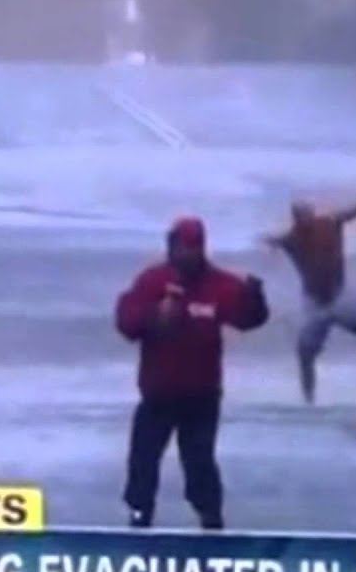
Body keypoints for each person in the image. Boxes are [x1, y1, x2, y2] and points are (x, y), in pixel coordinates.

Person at [114, 217, 269, 530]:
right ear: (171, 247)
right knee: (143, 458)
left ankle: (210, 516)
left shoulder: (219, 284)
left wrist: (255, 299)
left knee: (199, 461)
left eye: (195, 247)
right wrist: (154, 316)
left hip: (201, 396)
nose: (190, 253)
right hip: (158, 393)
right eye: (184, 247)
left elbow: (247, 319)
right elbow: (126, 322)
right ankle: (139, 513)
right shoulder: (152, 281)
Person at [262, 199, 356, 404]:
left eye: (307, 216)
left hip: (340, 297)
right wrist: (268, 244)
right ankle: (309, 400)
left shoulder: (329, 223)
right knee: (304, 354)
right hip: (315, 303)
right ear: (295, 220)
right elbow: (273, 241)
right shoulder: (292, 238)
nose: (305, 223)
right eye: (299, 219)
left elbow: (350, 212)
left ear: (312, 214)